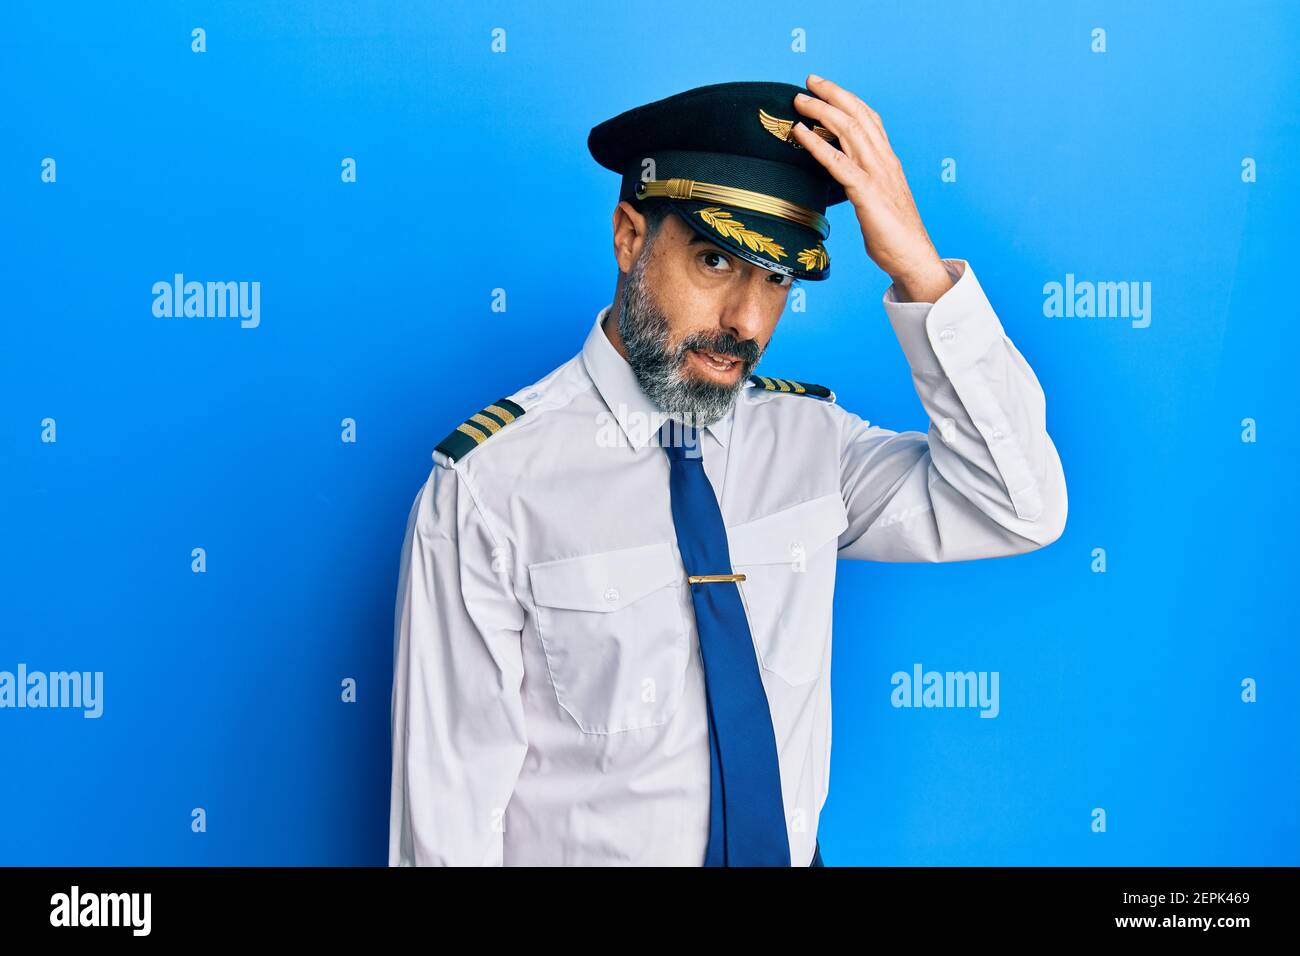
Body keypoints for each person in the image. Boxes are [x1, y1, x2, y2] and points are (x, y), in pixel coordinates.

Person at [388, 76, 1068, 867]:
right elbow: (446, 826)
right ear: (628, 236)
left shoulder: (814, 443)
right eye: (716, 260)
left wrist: (919, 271)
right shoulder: (487, 487)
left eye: (776, 279)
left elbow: (1019, 507)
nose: (746, 322)